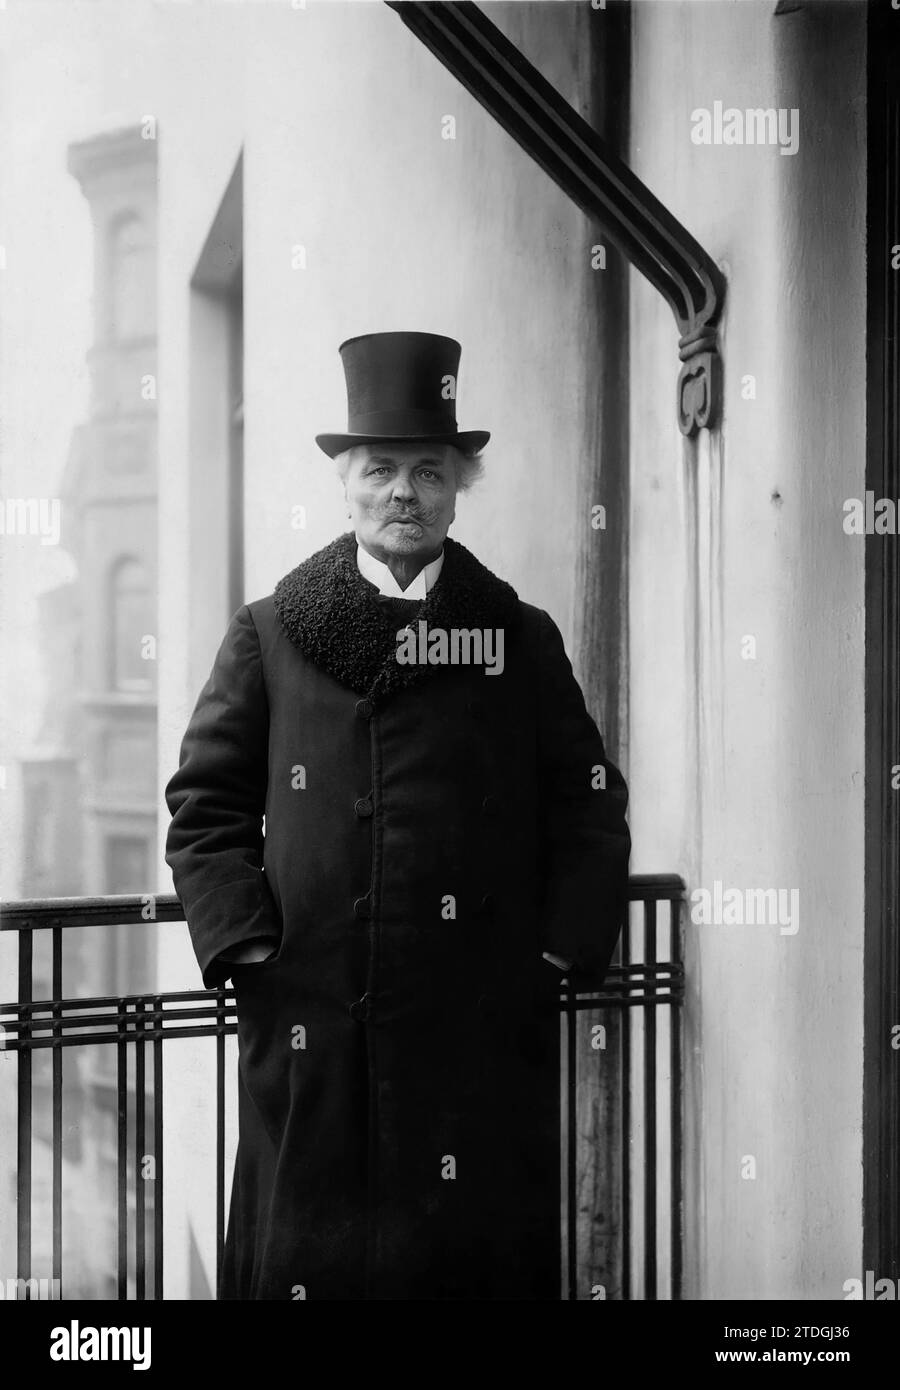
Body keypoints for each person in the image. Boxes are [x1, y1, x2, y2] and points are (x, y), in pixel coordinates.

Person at [164, 330, 631, 1300]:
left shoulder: (514, 636)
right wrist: (256, 956)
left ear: (460, 485)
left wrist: (551, 954)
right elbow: (205, 810)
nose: (404, 493)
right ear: (345, 482)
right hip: (314, 1039)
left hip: (473, 1042)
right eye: (380, 469)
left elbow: (588, 804)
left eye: (430, 469)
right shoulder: (273, 633)